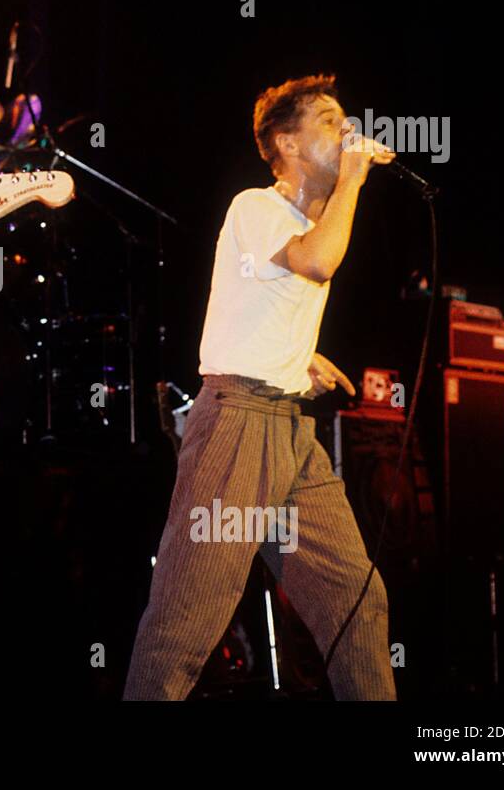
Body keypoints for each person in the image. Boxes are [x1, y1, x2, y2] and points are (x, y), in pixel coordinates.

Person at [123, 74, 398, 700]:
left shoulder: (307, 223)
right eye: (329, 120)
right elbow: (317, 261)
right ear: (287, 144)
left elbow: (263, 298)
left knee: (356, 599)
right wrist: (353, 179)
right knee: (188, 616)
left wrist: (301, 356)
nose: (346, 128)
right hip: (238, 424)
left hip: (290, 430)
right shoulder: (257, 206)